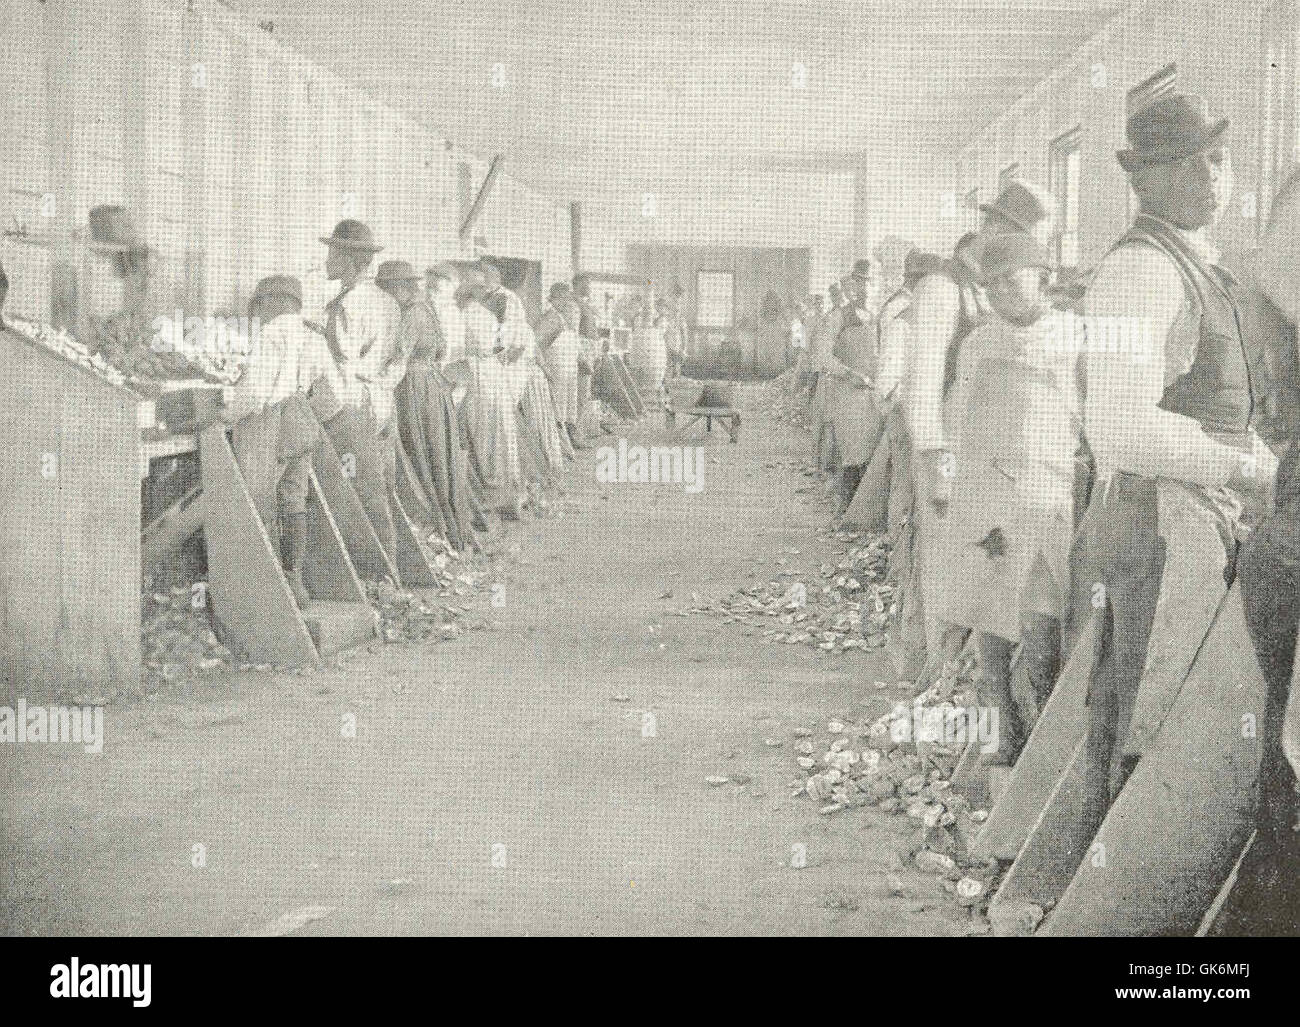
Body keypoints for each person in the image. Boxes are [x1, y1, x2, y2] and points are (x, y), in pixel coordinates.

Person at [1065, 93, 1277, 847]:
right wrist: (1244, 466)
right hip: (1160, 522)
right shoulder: (1138, 274)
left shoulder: (1201, 265)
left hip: (1197, 512)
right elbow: (1121, 427)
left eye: (1218, 159)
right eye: (1191, 164)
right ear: (1145, 179)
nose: (1212, 178)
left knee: (1163, 704)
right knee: (1152, 711)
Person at [932, 234, 1084, 764]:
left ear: (1043, 275)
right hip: (987, 498)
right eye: (989, 282)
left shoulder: (1073, 336)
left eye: (1010, 278)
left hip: (1049, 498)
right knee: (990, 614)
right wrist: (952, 477)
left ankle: (1041, 743)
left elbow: (1089, 419)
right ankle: (999, 728)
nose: (998, 291)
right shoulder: (977, 343)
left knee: (1042, 624)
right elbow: (955, 418)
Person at [218, 274, 344, 606]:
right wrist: (303, 406)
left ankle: (262, 587)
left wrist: (224, 416)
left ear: (270, 303)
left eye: (257, 308)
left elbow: (254, 394)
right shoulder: (312, 335)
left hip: (268, 424)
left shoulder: (271, 334)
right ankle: (294, 581)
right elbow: (334, 398)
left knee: (257, 500)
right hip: (302, 422)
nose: (256, 316)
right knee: (293, 500)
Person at [376, 260, 479, 552]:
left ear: (399, 289)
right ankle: (450, 528)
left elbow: (399, 356)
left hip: (415, 389)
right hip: (433, 388)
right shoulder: (430, 312)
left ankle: (433, 525)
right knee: (436, 454)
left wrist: (377, 379)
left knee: (419, 451)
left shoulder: (413, 314)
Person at [317, 218, 402, 560]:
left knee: (352, 486)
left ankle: (366, 569)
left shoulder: (347, 306)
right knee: (380, 482)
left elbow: (343, 361)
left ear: (350, 261)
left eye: (332, 255)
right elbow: (395, 357)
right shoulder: (388, 302)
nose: (326, 261)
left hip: (353, 399)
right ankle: (389, 563)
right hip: (382, 397)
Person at [459, 267, 525, 519]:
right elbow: (504, 349)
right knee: (499, 435)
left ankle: (491, 494)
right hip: (494, 374)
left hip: (477, 375)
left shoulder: (464, 315)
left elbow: (459, 350)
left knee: (482, 433)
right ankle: (507, 493)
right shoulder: (487, 315)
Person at [824, 264, 883, 514]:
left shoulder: (878, 317)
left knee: (871, 454)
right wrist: (848, 373)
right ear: (850, 286)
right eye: (858, 283)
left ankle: (863, 513)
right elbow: (822, 357)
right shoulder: (839, 317)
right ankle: (844, 510)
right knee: (851, 453)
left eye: (868, 283)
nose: (863, 288)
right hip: (847, 394)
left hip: (874, 395)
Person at [536, 282, 588, 449]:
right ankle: (559, 444)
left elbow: (573, 344)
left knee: (569, 406)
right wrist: (545, 368)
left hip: (568, 369)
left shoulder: (564, 320)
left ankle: (570, 438)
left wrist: (581, 359)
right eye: (564, 299)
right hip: (555, 369)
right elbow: (535, 345)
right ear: (556, 299)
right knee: (557, 409)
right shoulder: (550, 318)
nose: (567, 303)